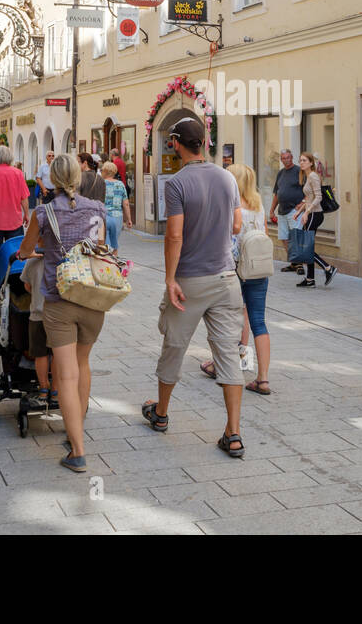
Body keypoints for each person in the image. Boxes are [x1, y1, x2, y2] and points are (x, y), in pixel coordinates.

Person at [141, 117, 247, 459]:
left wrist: (170, 279)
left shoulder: (177, 183)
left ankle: (161, 414)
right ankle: (233, 432)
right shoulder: (227, 177)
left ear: (175, 144)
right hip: (226, 278)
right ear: (204, 143)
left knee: (174, 346)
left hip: (189, 280)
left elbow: (174, 235)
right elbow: (235, 225)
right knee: (228, 353)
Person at [17, 154, 108, 473]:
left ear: (52, 179)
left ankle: (78, 450)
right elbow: (100, 247)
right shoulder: (97, 209)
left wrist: (29, 250)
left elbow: (27, 250)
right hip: (93, 299)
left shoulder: (42, 213)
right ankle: (76, 431)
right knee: (83, 365)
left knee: (66, 374)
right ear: (79, 178)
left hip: (59, 301)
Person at [219, 164, 271, 395]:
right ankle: (263, 378)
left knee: (230, 319)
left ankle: (228, 366)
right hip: (258, 269)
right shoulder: (259, 205)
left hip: (235, 268)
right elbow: (265, 235)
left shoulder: (231, 205)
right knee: (257, 320)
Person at [0, 144, 30, 269]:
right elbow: (24, 198)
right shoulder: (18, 174)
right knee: (15, 251)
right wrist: (27, 215)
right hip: (15, 220)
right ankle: (12, 279)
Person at [292, 152, 336, 288]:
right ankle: (310, 279)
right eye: (300, 160)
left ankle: (328, 268)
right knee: (308, 246)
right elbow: (309, 198)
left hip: (315, 215)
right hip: (311, 214)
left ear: (311, 163)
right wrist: (299, 212)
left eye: (305, 160)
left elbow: (318, 197)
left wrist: (307, 213)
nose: (302, 163)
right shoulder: (308, 177)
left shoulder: (313, 176)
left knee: (307, 247)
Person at [267, 149, 305, 274]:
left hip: (294, 211)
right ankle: (294, 263)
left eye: (288, 157)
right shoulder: (281, 173)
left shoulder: (299, 171)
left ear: (292, 157)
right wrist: (272, 210)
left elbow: (308, 189)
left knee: (295, 237)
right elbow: (277, 194)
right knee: (284, 238)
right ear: (281, 160)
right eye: (283, 158)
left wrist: (303, 204)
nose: (286, 160)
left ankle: (299, 264)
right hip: (282, 211)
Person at [101, 161, 131, 250]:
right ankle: (113, 262)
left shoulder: (101, 183)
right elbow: (126, 204)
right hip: (117, 217)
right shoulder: (120, 184)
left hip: (104, 216)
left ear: (105, 171)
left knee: (104, 244)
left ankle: (106, 262)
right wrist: (128, 219)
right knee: (114, 244)